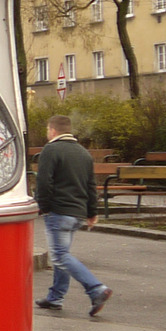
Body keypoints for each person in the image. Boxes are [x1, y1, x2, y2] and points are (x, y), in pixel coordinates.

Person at [35, 114, 112, 316]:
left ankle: (96, 289)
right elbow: (90, 186)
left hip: (59, 212)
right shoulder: (83, 154)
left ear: (52, 130)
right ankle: (55, 298)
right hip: (77, 213)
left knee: (60, 256)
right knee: (63, 255)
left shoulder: (50, 150)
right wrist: (92, 212)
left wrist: (43, 206)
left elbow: (43, 182)